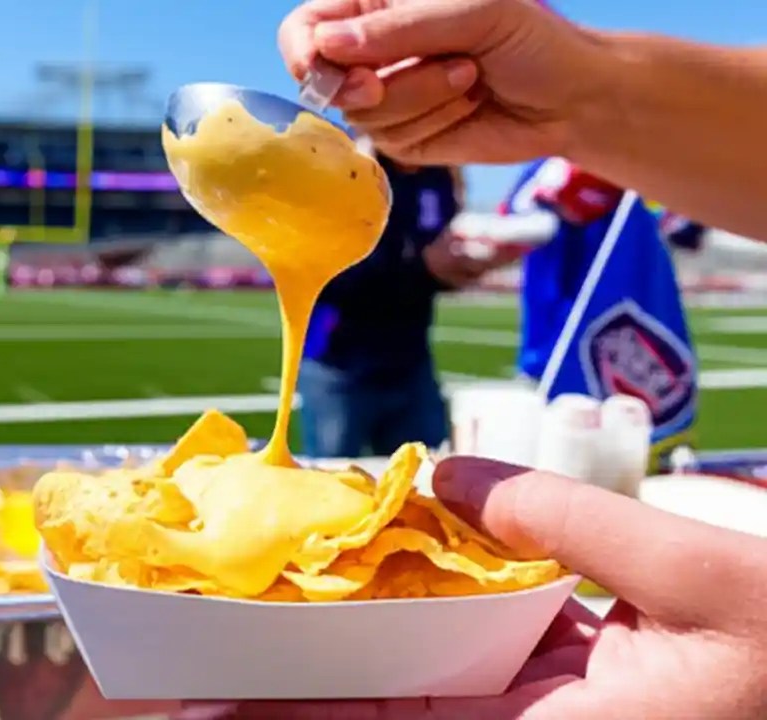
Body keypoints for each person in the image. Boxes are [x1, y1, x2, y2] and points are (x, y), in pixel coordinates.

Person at [173, 1, 767, 717]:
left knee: (423, 500)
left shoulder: (429, 177)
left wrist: (452, 262)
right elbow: (353, 270)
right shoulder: (364, 163)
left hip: (410, 357)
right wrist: (579, 92)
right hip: (336, 361)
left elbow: (419, 259)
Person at [299, 139, 487, 458]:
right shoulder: (346, 170)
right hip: (340, 361)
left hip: (410, 358)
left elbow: (437, 255)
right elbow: (326, 271)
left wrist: (465, 266)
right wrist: (423, 267)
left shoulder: (439, 175)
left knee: (426, 483)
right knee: (333, 486)